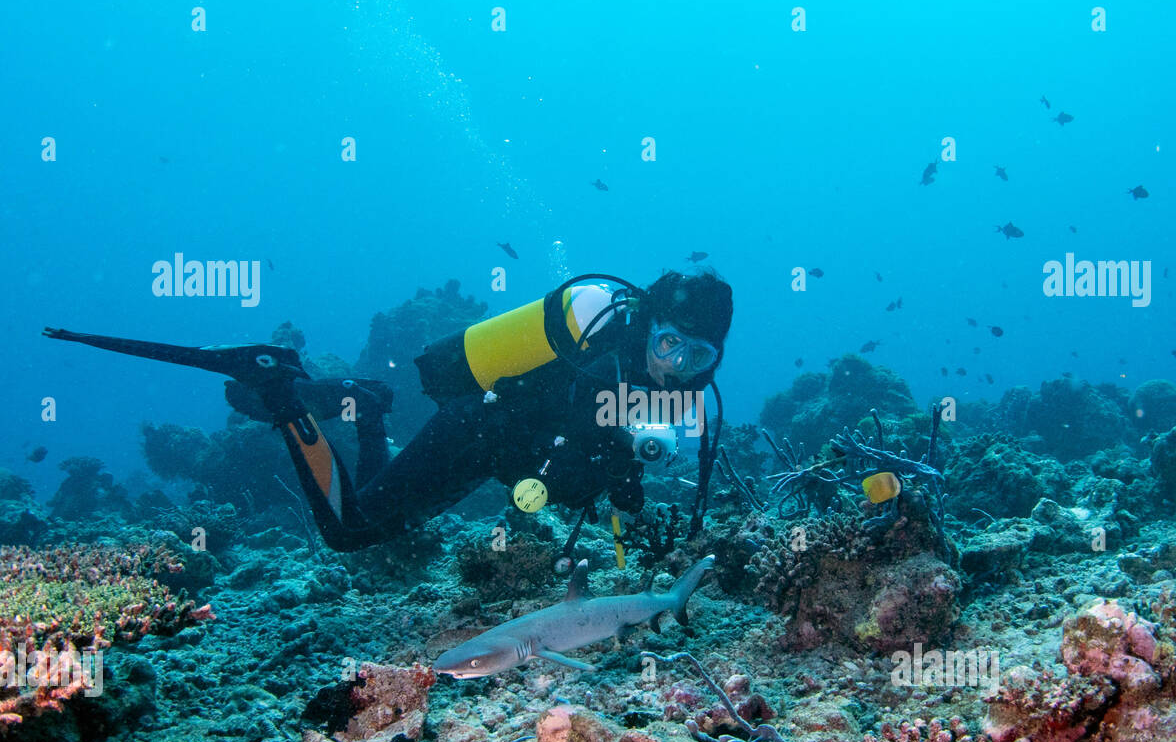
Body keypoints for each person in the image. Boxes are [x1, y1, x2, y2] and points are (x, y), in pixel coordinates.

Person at [43, 270, 732, 554]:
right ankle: (277, 387)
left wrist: (628, 491)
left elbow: (605, 461)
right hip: (475, 431)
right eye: (669, 344)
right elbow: (574, 448)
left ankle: (367, 407)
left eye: (697, 355)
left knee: (377, 515)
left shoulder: (660, 383)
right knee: (348, 531)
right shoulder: (605, 358)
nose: (676, 365)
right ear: (649, 327)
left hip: (495, 448)